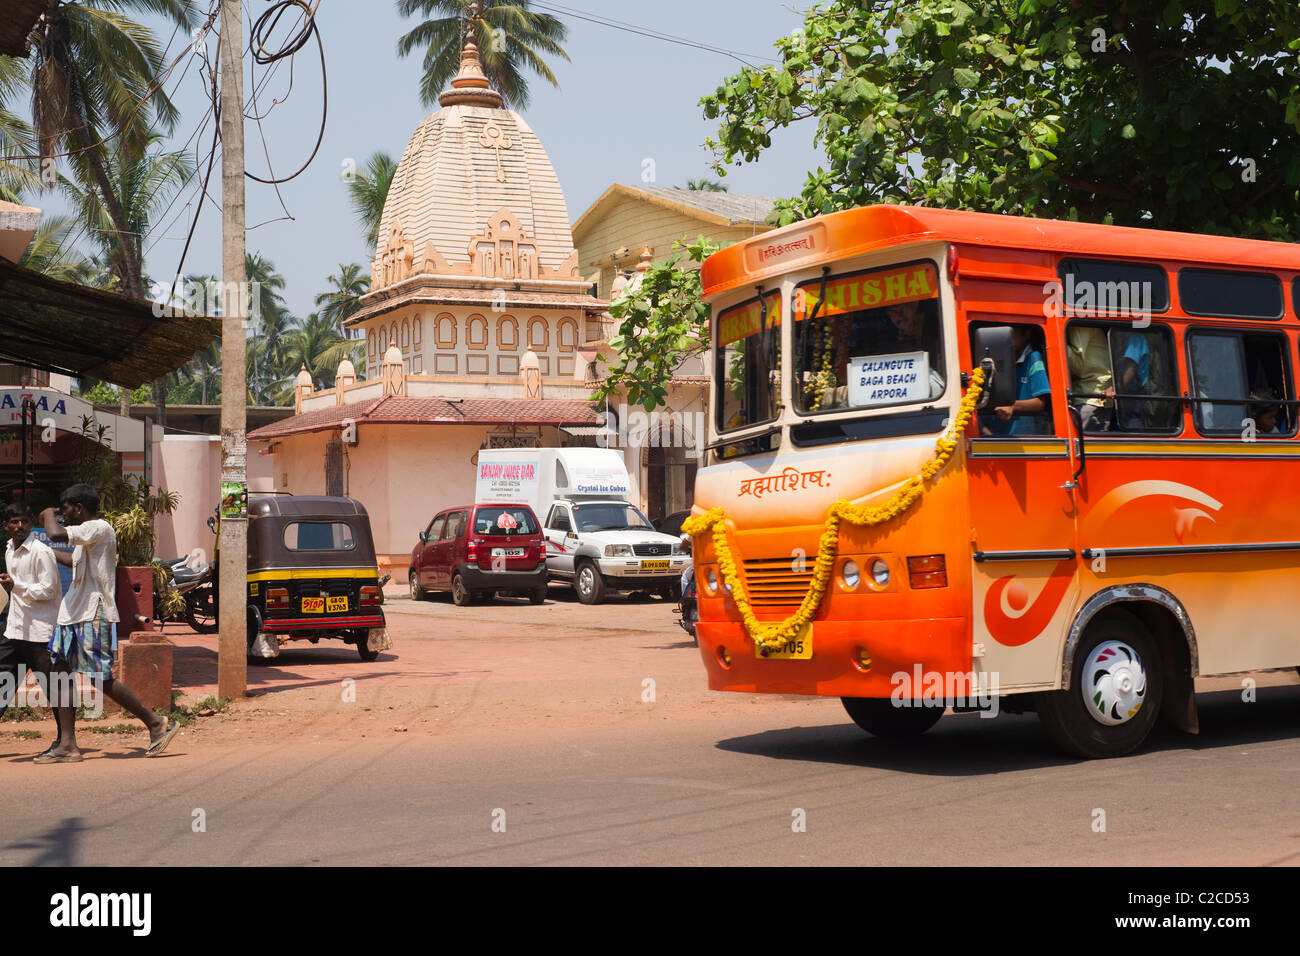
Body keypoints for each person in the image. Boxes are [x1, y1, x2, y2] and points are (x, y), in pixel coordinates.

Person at [38, 484, 179, 762]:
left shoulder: (98, 528)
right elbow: (73, 561)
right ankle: (67, 744)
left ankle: (155, 723)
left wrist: (46, 514)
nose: (63, 513)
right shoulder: (87, 536)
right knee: (60, 671)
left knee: (99, 678)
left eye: (65, 508)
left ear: (79, 508)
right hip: (73, 612)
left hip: (93, 612)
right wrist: (44, 552)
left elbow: (55, 532)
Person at [0, 503, 60, 731]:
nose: (19, 526)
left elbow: (49, 590)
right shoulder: (9, 549)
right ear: (6, 526)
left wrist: (16, 586)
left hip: (38, 631)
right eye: (14, 522)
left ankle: (66, 740)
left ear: (31, 523)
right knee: (3, 680)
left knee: (53, 687)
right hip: (15, 628)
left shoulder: (40, 551)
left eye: (24, 521)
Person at [989, 326, 1052, 435]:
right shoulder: (996, 360)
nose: (1007, 337)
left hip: (1024, 437)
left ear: (1027, 335)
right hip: (997, 435)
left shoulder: (1033, 358)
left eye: (1012, 332)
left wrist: (1012, 405)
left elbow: (1040, 403)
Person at [1066, 325, 1114, 432]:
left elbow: (1076, 365)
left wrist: (1056, 343)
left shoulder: (1081, 326)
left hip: (1090, 396)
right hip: (1088, 394)